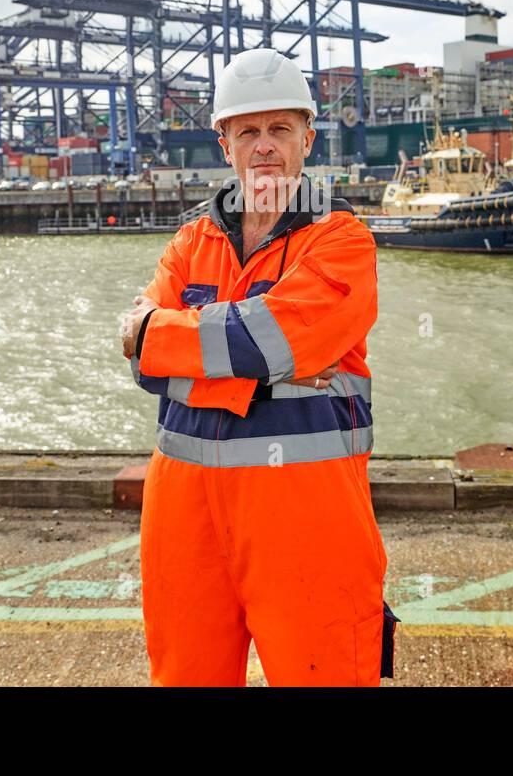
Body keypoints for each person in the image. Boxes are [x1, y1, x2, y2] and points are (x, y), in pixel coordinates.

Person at [119, 47, 396, 687]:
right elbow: (143, 360)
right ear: (224, 144)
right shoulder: (191, 242)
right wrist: (257, 358)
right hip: (183, 523)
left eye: (279, 130)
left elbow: (268, 343)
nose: (264, 146)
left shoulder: (341, 239)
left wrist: (177, 343)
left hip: (308, 523)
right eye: (248, 131)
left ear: (308, 138)